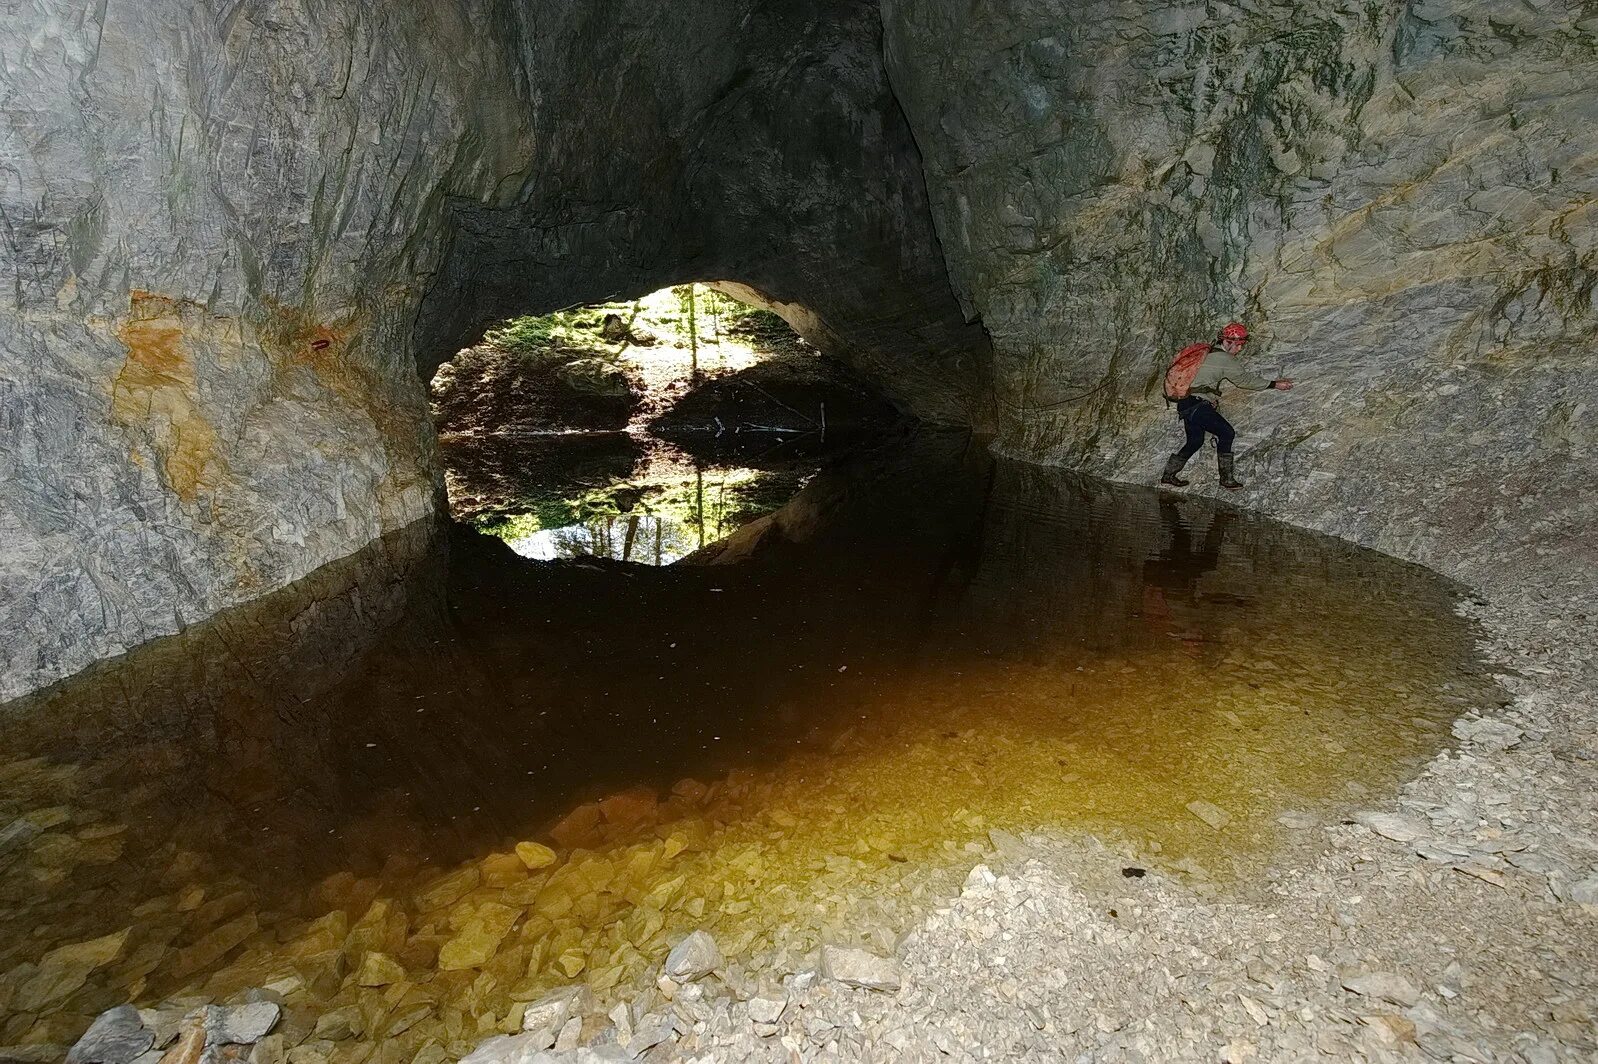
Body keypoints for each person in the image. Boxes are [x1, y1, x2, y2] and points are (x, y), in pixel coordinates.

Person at [1160, 322, 1292, 489]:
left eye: (1241, 345)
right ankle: (1226, 480)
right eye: (1237, 345)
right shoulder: (1224, 359)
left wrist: (1210, 397)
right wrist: (1275, 384)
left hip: (1186, 403)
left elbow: (1200, 381)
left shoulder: (1207, 352)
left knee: (1195, 440)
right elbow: (1244, 381)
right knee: (1227, 432)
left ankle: (1168, 475)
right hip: (1195, 404)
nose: (1239, 349)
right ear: (1227, 342)